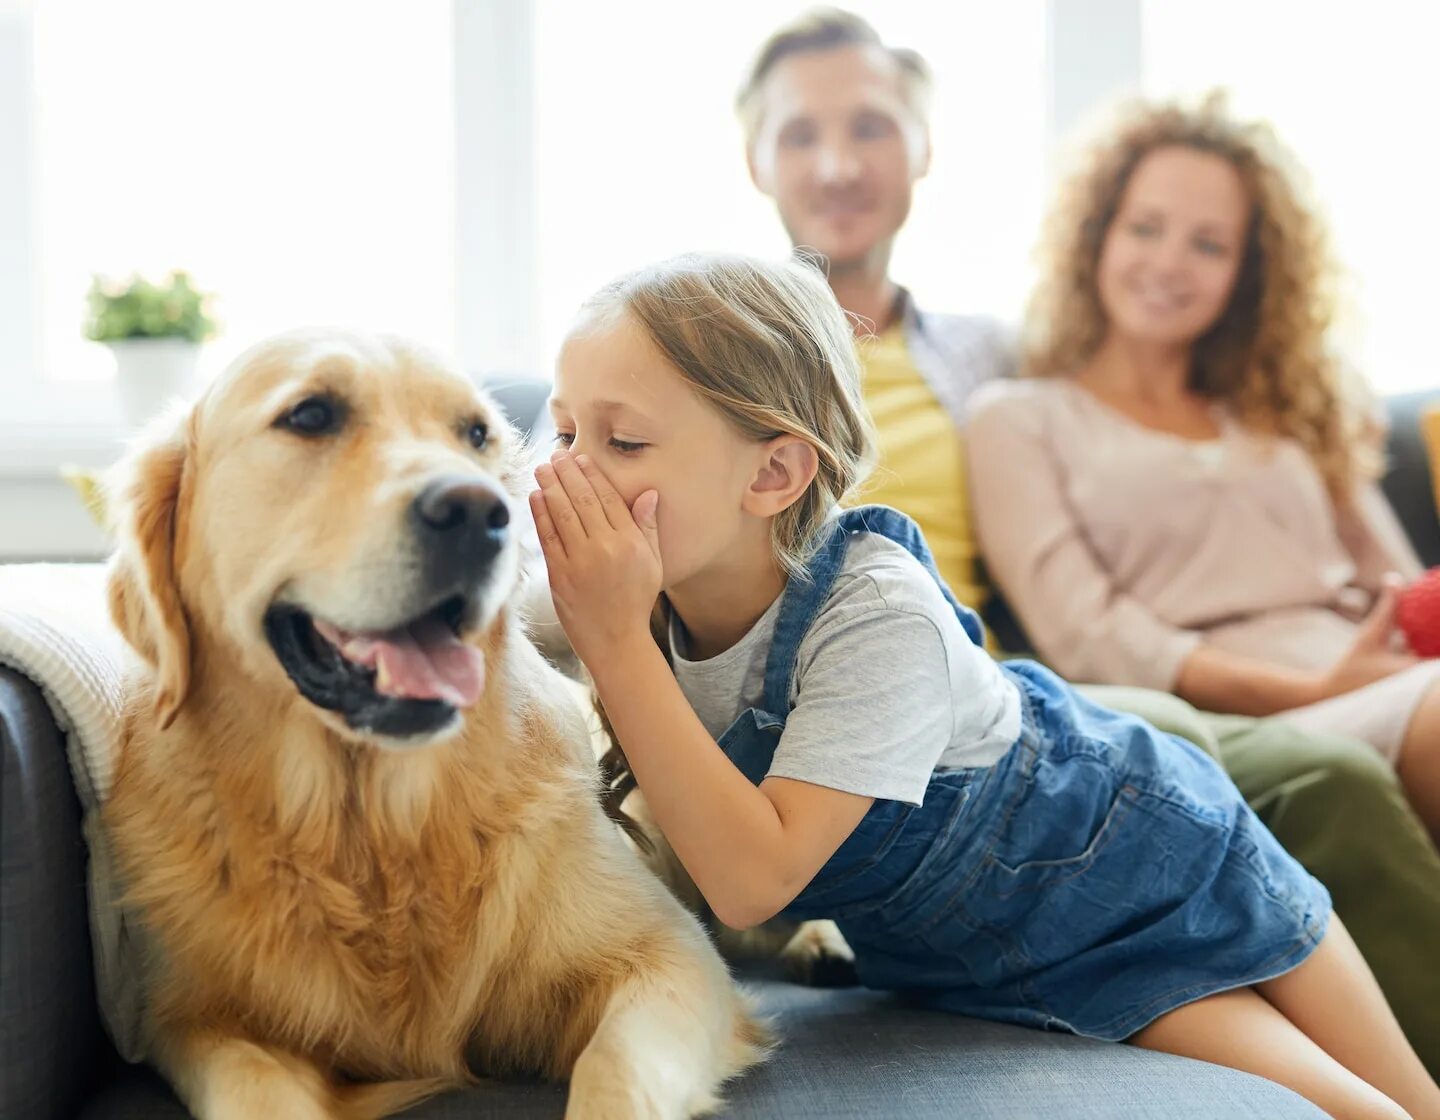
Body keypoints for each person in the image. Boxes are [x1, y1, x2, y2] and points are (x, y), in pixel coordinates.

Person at [530, 250, 1440, 1119]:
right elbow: (467, 643)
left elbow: (751, 882)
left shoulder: (877, 615)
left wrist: (615, 642)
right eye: (565, 430)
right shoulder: (623, 595)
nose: (565, 471)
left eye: (623, 441)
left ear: (773, 472)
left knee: (1383, 1110)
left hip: (1139, 864)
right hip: (968, 957)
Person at [735, 7, 1440, 1072]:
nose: (837, 164)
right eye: (801, 135)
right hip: (939, 694)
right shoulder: (723, 357)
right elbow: (1092, 624)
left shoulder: (983, 357)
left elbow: (1397, 578)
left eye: (872, 127)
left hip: (1048, 685)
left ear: (926, 151)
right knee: (1319, 764)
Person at [965, 95, 1440, 844]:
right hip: (1242, 719)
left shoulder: (1285, 407)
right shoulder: (1018, 419)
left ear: (1247, 272)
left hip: (1383, 678)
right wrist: (1316, 689)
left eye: (1209, 245)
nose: (1167, 264)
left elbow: (1403, 586)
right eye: (1145, 228)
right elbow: (1090, 636)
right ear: (1097, 236)